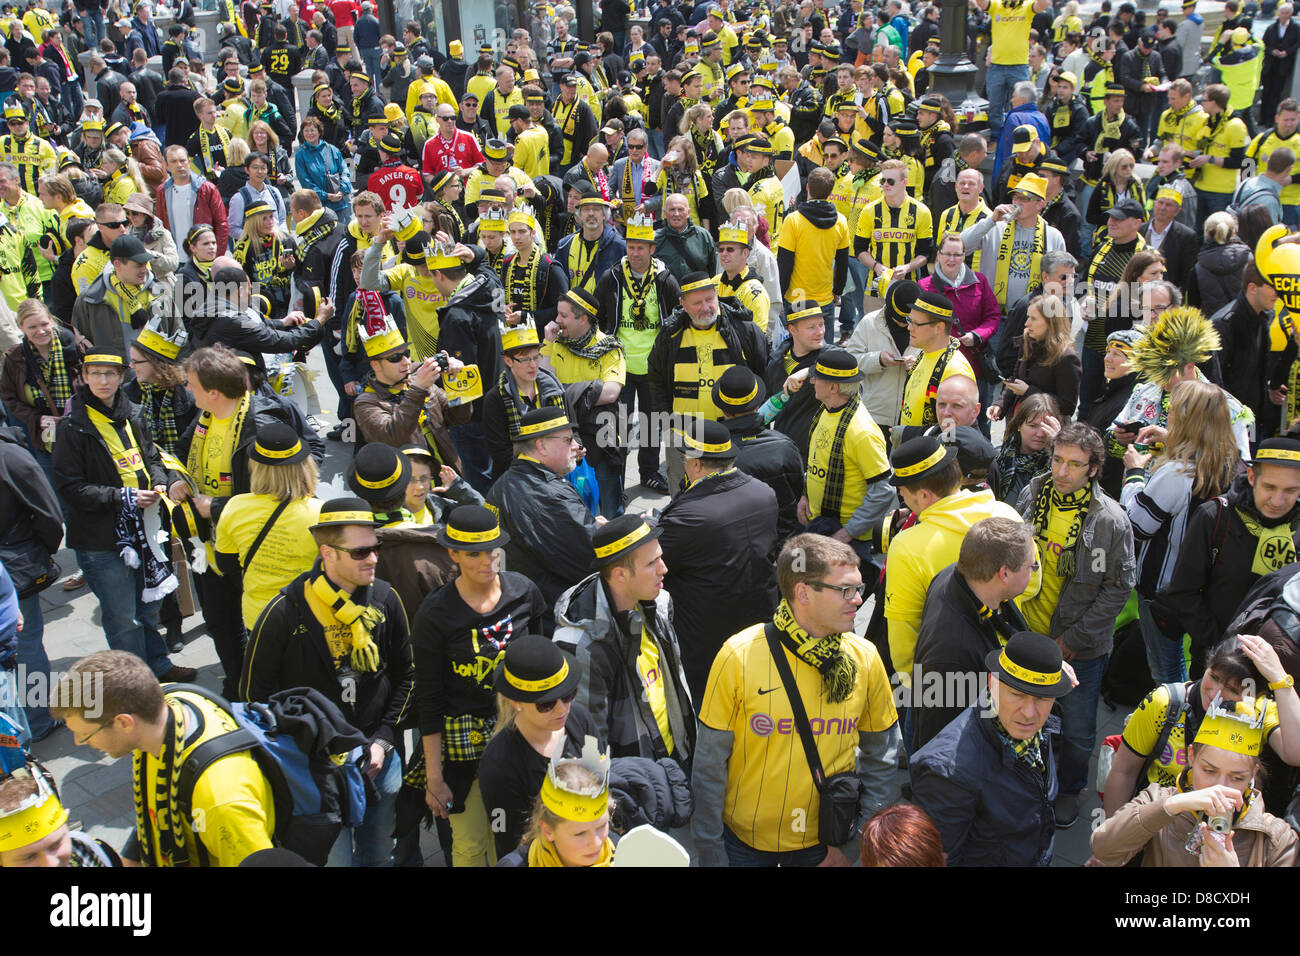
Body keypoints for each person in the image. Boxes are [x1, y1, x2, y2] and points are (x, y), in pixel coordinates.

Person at [691, 533, 901, 867]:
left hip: (827, 847)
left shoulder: (866, 659)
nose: (859, 601)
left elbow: (883, 758)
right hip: (743, 847)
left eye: (859, 588)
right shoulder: (737, 656)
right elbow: (708, 766)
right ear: (803, 592)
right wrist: (711, 851)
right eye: (846, 590)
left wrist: (862, 843)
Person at [238, 496, 411, 867]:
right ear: (327, 553)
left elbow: (406, 675)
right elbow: (256, 698)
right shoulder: (284, 612)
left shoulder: (385, 600)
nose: (374, 559)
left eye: (376, 548)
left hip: (378, 759)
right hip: (315, 772)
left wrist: (383, 739)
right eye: (361, 552)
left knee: (380, 856)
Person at [410, 504, 547, 867]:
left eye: (493, 549)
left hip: (520, 736)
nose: (487, 560)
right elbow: (429, 698)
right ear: (452, 553)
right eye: (474, 553)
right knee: (470, 844)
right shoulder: (434, 614)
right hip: (462, 747)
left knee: (522, 838)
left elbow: (543, 672)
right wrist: (435, 777)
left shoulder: (525, 592)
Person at [1013, 422, 1136, 825]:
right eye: (1057, 460)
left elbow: (1118, 588)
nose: (1062, 472)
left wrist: (1073, 640)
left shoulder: (1110, 521)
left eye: (1075, 465)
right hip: (1027, 633)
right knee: (1023, 715)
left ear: (1094, 469)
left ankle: (1068, 790)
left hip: (1079, 649)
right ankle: (1024, 779)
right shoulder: (1033, 494)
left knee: (1080, 730)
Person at [54, 649, 276, 866]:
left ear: (124, 723)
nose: (78, 743)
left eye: (85, 734)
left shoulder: (219, 800)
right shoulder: (165, 702)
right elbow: (159, 805)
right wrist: (131, 859)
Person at [52, 350, 193, 683]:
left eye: (110, 374)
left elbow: (151, 457)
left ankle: (158, 667)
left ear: (122, 376)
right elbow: (70, 488)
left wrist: (159, 481)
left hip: (145, 529)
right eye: (96, 373)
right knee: (123, 619)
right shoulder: (74, 427)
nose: (103, 381)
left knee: (147, 609)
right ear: (84, 377)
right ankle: (137, 686)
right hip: (103, 540)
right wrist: (123, 497)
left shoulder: (133, 413)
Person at [911, 630, 1072, 866]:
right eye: (1017, 694)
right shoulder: (948, 773)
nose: (1029, 714)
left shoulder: (1039, 728)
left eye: (1042, 699)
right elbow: (940, 860)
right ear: (992, 683)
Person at [885, 433, 1025, 698]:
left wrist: (914, 687)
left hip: (940, 683)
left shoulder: (907, 546)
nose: (901, 498)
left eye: (902, 493)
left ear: (924, 495)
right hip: (1007, 668)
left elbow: (904, 632)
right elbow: (1032, 586)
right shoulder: (1007, 515)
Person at [1093, 688, 1300, 865]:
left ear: (1252, 775)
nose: (1219, 787)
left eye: (1237, 778)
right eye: (1209, 771)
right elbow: (1103, 849)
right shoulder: (1159, 798)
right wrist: (1169, 807)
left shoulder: (1277, 838)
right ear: (1191, 757)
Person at [1153, 438, 1300, 678]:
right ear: (1252, 478)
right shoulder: (1215, 517)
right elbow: (1183, 591)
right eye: (1270, 487)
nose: (1277, 501)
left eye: (1291, 491)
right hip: (1217, 662)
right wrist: (1220, 645)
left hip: (1282, 669)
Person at [553, 513, 694, 762]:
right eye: (653, 563)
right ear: (620, 574)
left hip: (676, 758)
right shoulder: (582, 645)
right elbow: (588, 744)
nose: (664, 568)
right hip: (635, 777)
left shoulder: (658, 603)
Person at [658, 418, 779, 699]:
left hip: (705, 635)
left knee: (712, 702)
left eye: (686, 458)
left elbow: (658, 563)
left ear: (697, 464)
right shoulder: (764, 493)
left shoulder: (688, 517)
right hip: (760, 620)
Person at [911, 517, 1036, 751]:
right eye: (1032, 566)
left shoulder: (954, 576)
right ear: (1005, 574)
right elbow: (940, 745)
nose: (1034, 572)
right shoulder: (953, 655)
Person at [478, 634, 596, 860]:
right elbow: (508, 840)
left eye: (568, 695)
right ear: (516, 701)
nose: (562, 709)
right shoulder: (498, 765)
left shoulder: (580, 720)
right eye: (546, 705)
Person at [647, 272, 768, 492]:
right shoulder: (670, 334)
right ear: (683, 304)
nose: (706, 307)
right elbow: (655, 377)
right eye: (697, 303)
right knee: (681, 497)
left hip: (731, 435)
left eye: (710, 299)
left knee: (730, 496)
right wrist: (666, 420)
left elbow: (762, 373)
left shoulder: (744, 330)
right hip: (682, 437)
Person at [212, 421, 322, 632]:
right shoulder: (320, 512)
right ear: (305, 464)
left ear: (255, 465)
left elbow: (226, 565)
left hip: (259, 617)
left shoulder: (235, 507)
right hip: (310, 616)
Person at [486, 407, 599, 609]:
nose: (576, 445)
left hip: (520, 600)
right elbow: (594, 554)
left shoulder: (505, 483)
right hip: (551, 610)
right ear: (542, 446)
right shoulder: (549, 495)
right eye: (567, 440)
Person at [496, 736, 618, 867]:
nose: (596, 843)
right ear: (548, 831)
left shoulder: (623, 853)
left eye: (602, 826)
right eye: (580, 833)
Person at [714, 366, 805, 540]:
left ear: (722, 407)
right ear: (758, 405)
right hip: (780, 541)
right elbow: (797, 491)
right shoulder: (785, 447)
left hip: (729, 545)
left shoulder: (709, 455)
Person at [854, 157, 933, 320]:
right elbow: (859, 249)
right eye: (882, 180)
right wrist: (876, 266)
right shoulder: (869, 210)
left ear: (905, 182)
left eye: (890, 181)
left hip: (908, 286)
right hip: (875, 288)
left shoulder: (922, 211)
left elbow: (926, 253)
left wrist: (908, 267)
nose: (885, 185)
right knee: (874, 337)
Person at [988, 294, 1081, 422]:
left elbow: (1067, 407)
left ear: (1051, 322)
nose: (1026, 323)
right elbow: (1015, 380)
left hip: (1045, 430)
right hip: (1019, 421)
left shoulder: (1067, 358)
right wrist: (1000, 404)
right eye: (1028, 317)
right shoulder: (1028, 341)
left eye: (1034, 319)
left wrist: (1028, 392)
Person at [776, 166, 849, 325]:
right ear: (830, 192)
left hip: (797, 297)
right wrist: (837, 291)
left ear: (807, 187)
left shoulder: (793, 220)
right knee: (825, 348)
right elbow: (843, 263)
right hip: (825, 299)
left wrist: (779, 295)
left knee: (798, 347)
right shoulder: (841, 221)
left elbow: (785, 263)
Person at [898, 288, 976, 428]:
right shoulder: (924, 354)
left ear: (939, 328)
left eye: (916, 323)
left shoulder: (955, 369)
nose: (909, 327)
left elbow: (954, 431)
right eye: (909, 320)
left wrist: (907, 436)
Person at [976, 0, 1053, 134]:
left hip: (1019, 66)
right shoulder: (996, 5)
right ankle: (997, 137)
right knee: (995, 106)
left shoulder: (1027, 6)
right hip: (997, 66)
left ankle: (1020, 136)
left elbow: (1044, 4)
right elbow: (981, 3)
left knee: (1022, 105)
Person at [1189, 84, 1248, 230]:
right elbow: (1202, 148)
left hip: (1220, 192)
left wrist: (1210, 159)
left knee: (1216, 233)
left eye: (1204, 100)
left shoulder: (1235, 125)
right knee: (1197, 232)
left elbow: (1237, 161)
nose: (1201, 102)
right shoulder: (1209, 120)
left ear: (1214, 102)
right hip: (1200, 185)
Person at [1187, 212, 1252, 320]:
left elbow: (1193, 306)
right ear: (1234, 232)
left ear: (1207, 233)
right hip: (1245, 323)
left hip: (1212, 329)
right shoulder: (1249, 259)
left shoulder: (1198, 268)